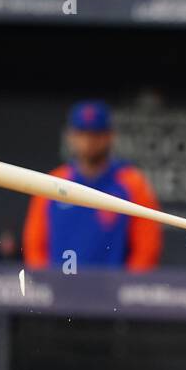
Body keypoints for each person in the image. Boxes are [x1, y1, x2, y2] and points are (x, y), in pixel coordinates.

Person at [22, 100, 162, 272]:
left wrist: (125, 289)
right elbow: (34, 245)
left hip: (112, 292)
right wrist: (48, 285)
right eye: (82, 133)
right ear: (69, 136)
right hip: (59, 290)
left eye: (96, 134)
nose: (88, 141)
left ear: (110, 136)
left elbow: (146, 249)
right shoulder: (53, 181)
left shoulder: (132, 183)